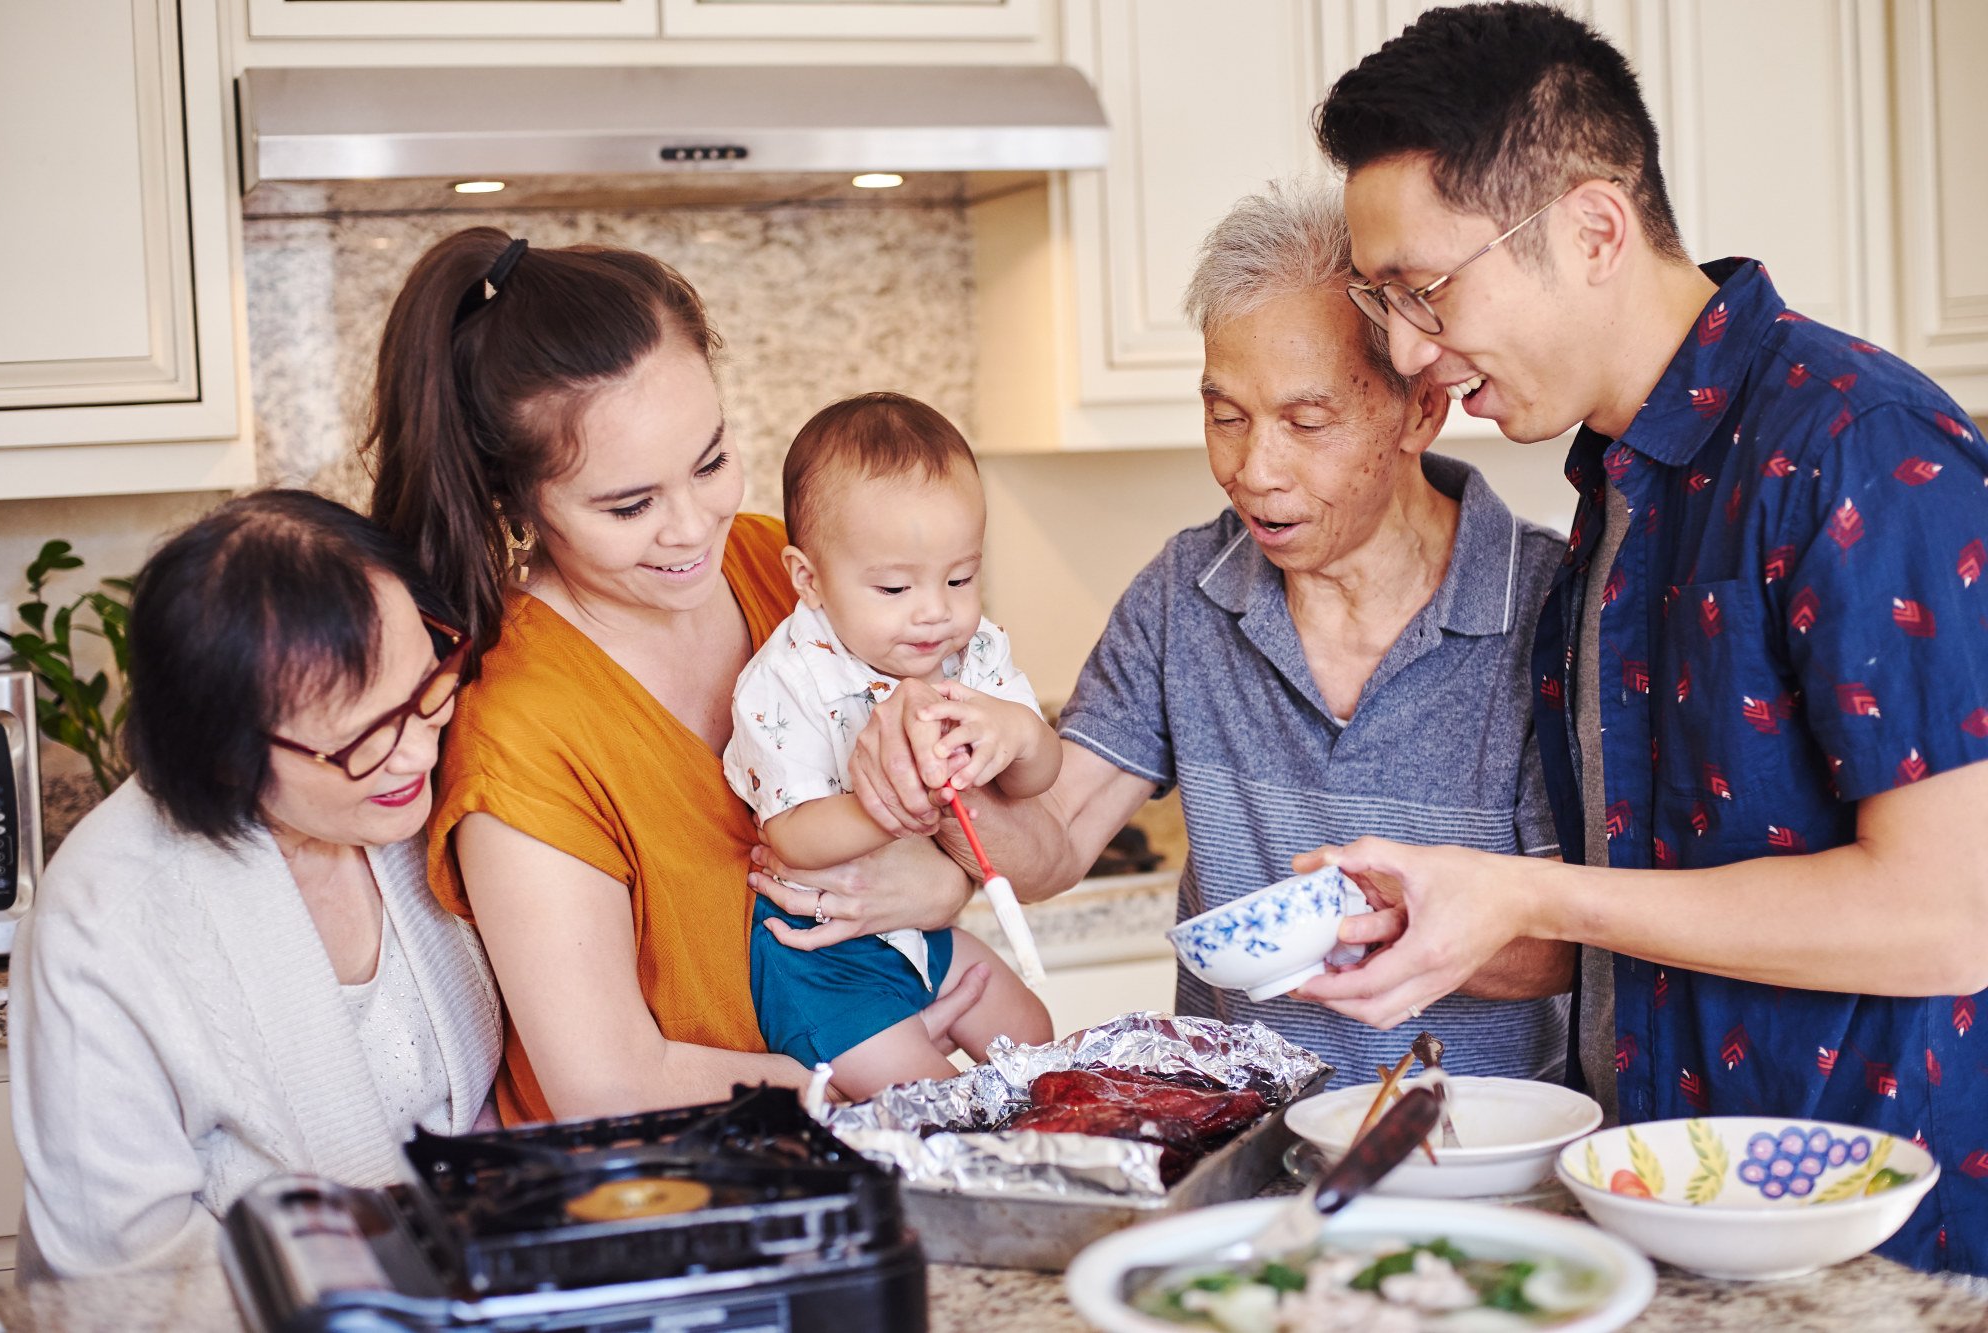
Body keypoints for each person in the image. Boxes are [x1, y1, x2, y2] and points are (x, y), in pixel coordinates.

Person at [1306, 1, 1988, 1276]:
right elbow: (1684, 900)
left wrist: (1528, 887)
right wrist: (1456, 923)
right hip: (1676, 1223)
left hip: (1880, 1260)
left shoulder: (1853, 449)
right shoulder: (1619, 490)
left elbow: (1953, 910)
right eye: (1377, 298)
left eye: (1425, 290)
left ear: (1593, 227)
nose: (1407, 351)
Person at [836, 180, 1577, 1087]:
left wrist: (1371, 930)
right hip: (1242, 1160)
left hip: (1480, 1160)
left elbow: (1583, 943)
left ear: (1421, 409)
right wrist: (941, 757)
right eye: (1225, 416)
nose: (1252, 469)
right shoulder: (1188, 593)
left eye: (1306, 423)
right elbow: (1055, 840)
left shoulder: (1547, 605)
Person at [364, 230, 1025, 1124]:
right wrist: (864, 1090)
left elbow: (948, 795)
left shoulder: (777, 566)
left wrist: (940, 883)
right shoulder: (519, 725)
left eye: (711, 460)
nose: (692, 528)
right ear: (515, 499)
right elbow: (606, 1084)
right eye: (630, 504)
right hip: (681, 1192)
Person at [8, 490, 502, 1280]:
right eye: (364, 740)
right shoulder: (104, 922)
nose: (415, 753)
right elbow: (124, 1276)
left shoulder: (412, 812)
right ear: (226, 753)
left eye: (425, 692)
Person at [723, 392, 1055, 1096]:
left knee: (1034, 1036)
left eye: (961, 577)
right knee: (944, 1106)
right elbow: (791, 834)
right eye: (896, 586)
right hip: (822, 963)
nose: (936, 609)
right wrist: (891, 811)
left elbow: (1036, 779)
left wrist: (1018, 733)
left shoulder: (975, 653)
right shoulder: (785, 678)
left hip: (914, 933)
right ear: (808, 579)